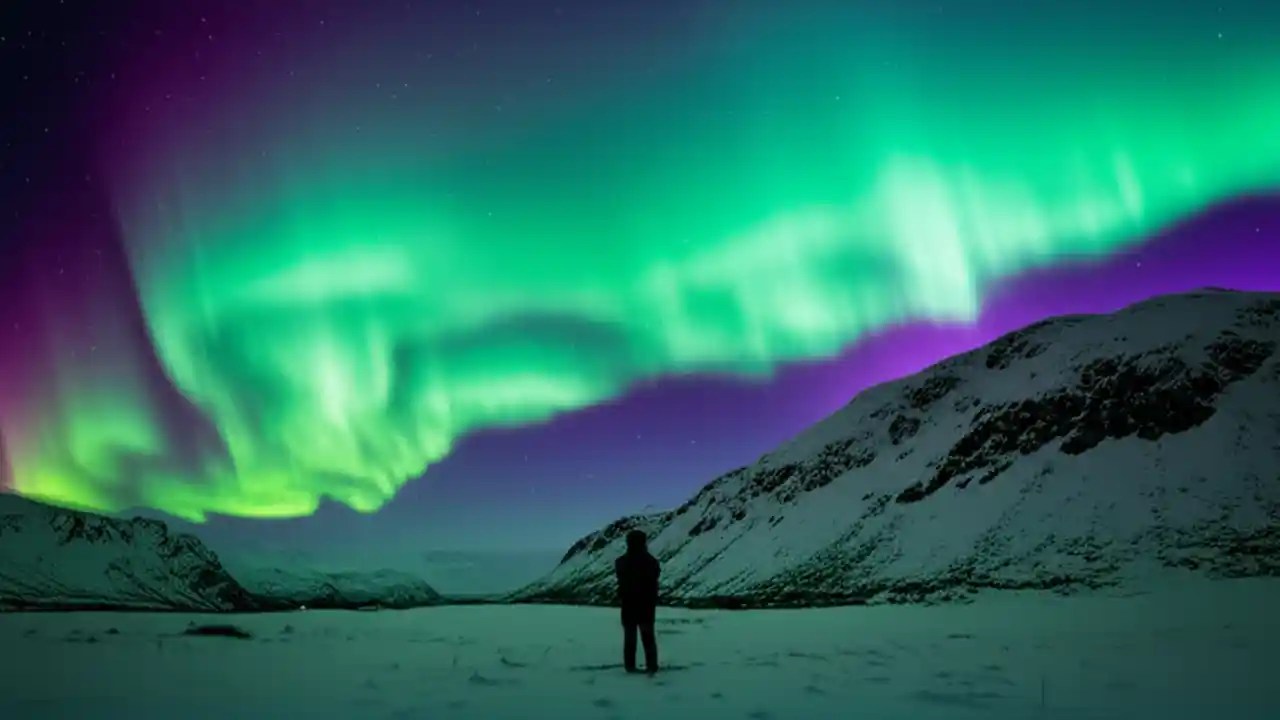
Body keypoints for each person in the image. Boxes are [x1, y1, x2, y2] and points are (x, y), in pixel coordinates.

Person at [614, 529, 660, 674]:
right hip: (646, 606)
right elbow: (654, 581)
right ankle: (651, 666)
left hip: (629, 606)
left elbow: (621, 581)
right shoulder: (651, 562)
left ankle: (630, 666)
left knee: (630, 639)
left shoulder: (621, 562)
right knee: (647, 638)